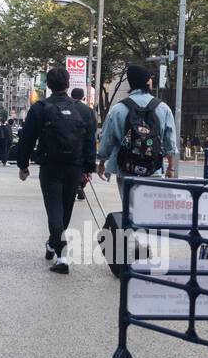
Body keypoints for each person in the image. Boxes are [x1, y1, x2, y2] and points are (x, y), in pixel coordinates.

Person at [18, 67, 97, 274]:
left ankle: (61, 257)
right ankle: (54, 244)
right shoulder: (84, 111)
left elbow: (27, 138)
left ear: (48, 85)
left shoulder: (40, 108)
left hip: (50, 166)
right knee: (65, 209)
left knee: (54, 208)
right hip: (75, 167)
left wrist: (23, 164)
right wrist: (89, 168)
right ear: (68, 83)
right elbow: (90, 141)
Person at [97, 64, 178, 199]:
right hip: (153, 169)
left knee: (128, 210)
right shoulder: (163, 108)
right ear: (147, 82)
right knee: (149, 210)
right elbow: (170, 142)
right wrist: (171, 167)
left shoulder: (118, 109)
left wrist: (101, 163)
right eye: (150, 78)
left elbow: (107, 139)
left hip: (126, 169)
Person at [70, 88, 97, 200]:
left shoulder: (65, 107)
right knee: (81, 170)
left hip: (67, 145)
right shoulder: (88, 110)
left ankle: (74, 187)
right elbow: (92, 131)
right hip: (82, 146)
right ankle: (79, 186)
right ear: (83, 97)